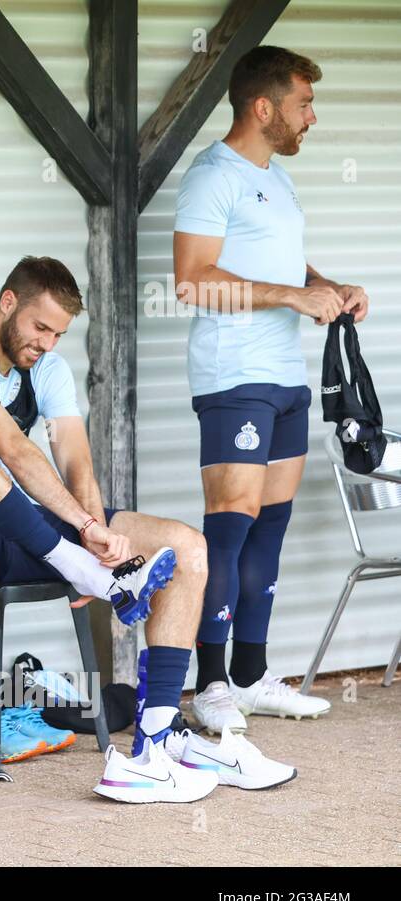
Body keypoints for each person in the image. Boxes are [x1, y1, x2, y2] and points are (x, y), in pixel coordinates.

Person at [0, 255, 294, 803]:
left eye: (59, 333)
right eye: (40, 328)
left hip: (30, 533)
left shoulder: (49, 369)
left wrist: (94, 534)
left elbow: (76, 461)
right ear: (7, 303)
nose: (48, 343)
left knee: (188, 546)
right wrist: (81, 534)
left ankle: (158, 738)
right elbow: (13, 446)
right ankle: (83, 571)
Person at [173, 46, 367, 733]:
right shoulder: (212, 176)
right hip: (235, 377)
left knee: (270, 530)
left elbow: (278, 260)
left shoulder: (275, 180)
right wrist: (291, 294)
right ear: (264, 107)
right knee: (231, 527)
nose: (311, 117)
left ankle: (251, 676)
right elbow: (192, 279)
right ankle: (210, 685)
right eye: (303, 104)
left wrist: (327, 287)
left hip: (286, 377)